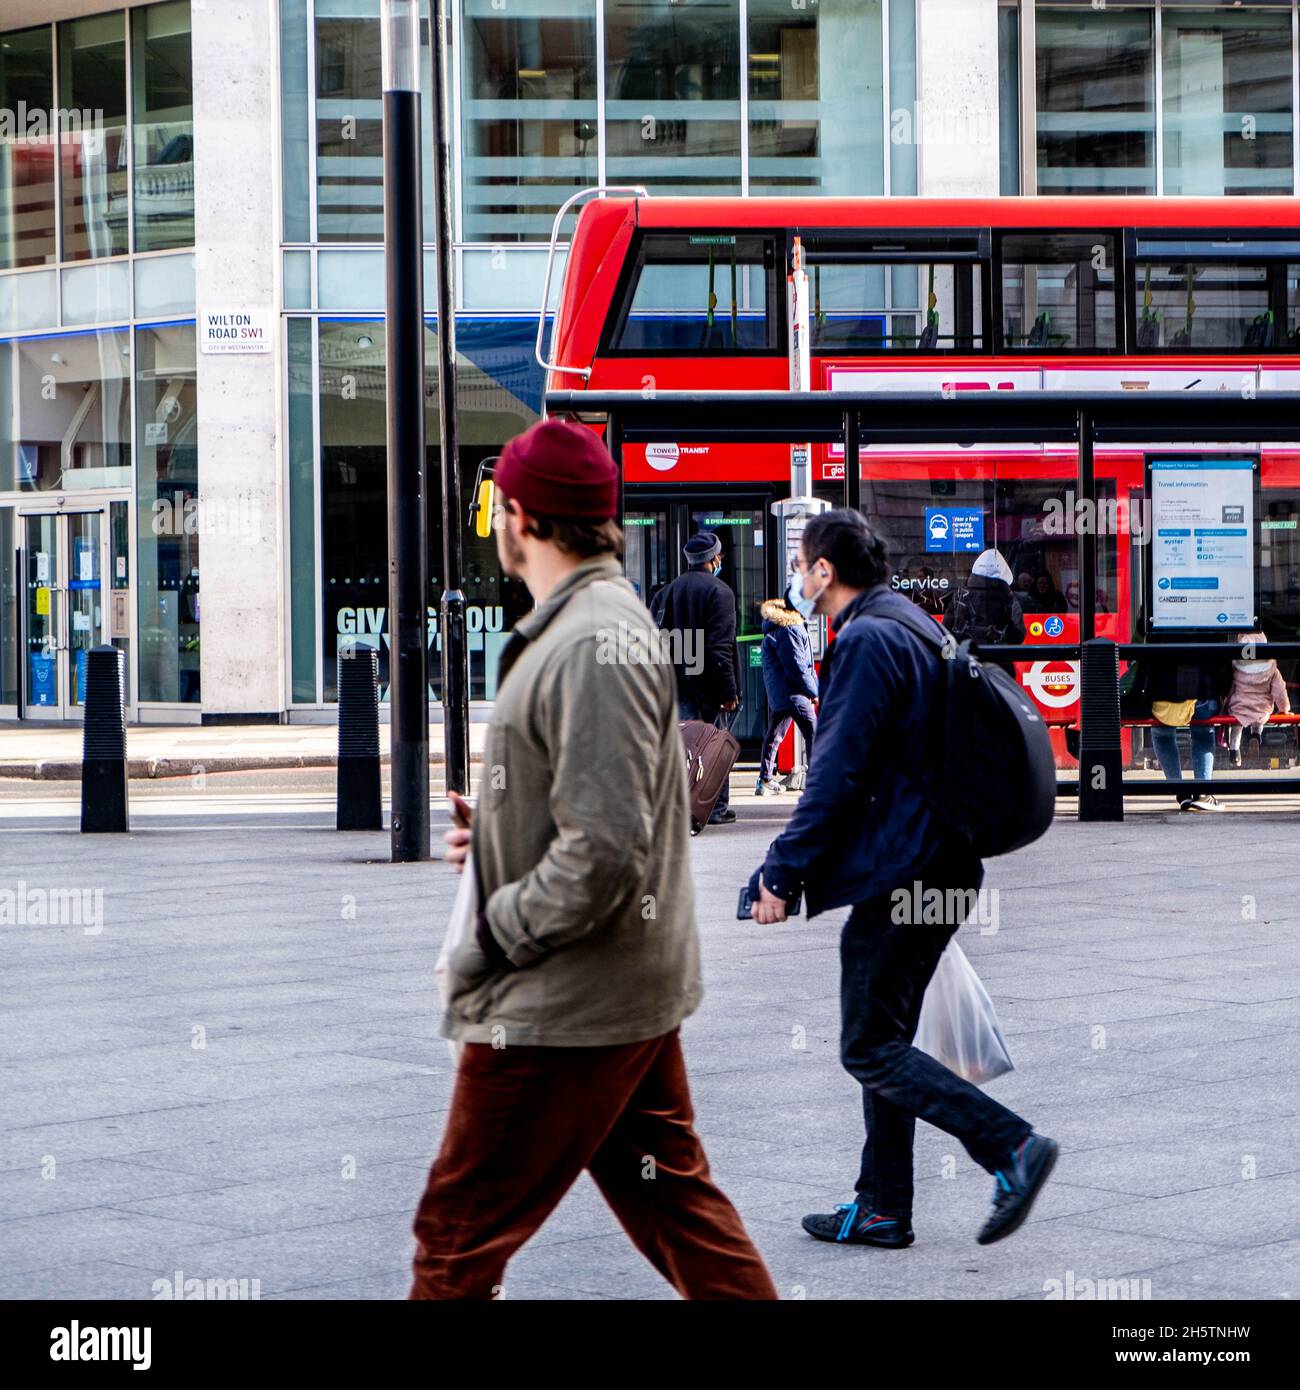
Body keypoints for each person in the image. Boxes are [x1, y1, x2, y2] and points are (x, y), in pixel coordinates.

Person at [410, 419, 777, 1301]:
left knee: (455, 1239)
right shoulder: (588, 625)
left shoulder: (587, 642)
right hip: (618, 989)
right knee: (679, 1209)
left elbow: (604, 853)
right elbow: (595, 809)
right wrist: (499, 829)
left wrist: (494, 929)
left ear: (525, 518)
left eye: (500, 502)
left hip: (563, 1001)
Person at [745, 509, 1057, 1250]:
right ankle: (882, 1205)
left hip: (909, 868)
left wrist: (780, 874)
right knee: (884, 1035)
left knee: (868, 1047)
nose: (797, 575)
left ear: (825, 570)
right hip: (941, 859)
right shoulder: (910, 621)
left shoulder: (869, 640)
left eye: (802, 560)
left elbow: (835, 775)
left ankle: (1010, 1146)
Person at [651, 530, 742, 824]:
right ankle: (714, 809)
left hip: (673, 685)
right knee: (713, 746)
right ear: (713, 559)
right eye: (720, 557)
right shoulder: (720, 592)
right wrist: (728, 692)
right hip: (709, 688)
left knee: (681, 747)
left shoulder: (665, 593)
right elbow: (720, 649)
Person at [1141, 647, 1232, 811]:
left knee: (1162, 735)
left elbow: (1140, 638)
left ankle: (1180, 790)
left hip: (1163, 695)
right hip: (1202, 692)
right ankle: (1203, 792)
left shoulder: (1158, 622)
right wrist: (1223, 691)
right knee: (1203, 733)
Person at [755, 593, 818, 795]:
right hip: (793, 692)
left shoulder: (782, 628)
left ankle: (765, 779)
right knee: (813, 731)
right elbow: (798, 667)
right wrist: (813, 692)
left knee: (775, 733)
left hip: (782, 691)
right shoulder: (790, 629)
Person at [945, 548, 1025, 676]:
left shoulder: (961, 596)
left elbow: (947, 631)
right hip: (1000, 665)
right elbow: (1018, 636)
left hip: (966, 663)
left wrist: (948, 663)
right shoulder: (1009, 598)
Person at [1223, 631, 1290, 768]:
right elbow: (1279, 690)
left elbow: (1229, 687)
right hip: (1262, 708)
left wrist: (1224, 702)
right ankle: (1256, 735)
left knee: (1237, 725)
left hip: (1239, 707)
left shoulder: (1236, 667)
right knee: (1259, 718)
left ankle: (1234, 750)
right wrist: (1284, 709)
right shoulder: (1272, 668)